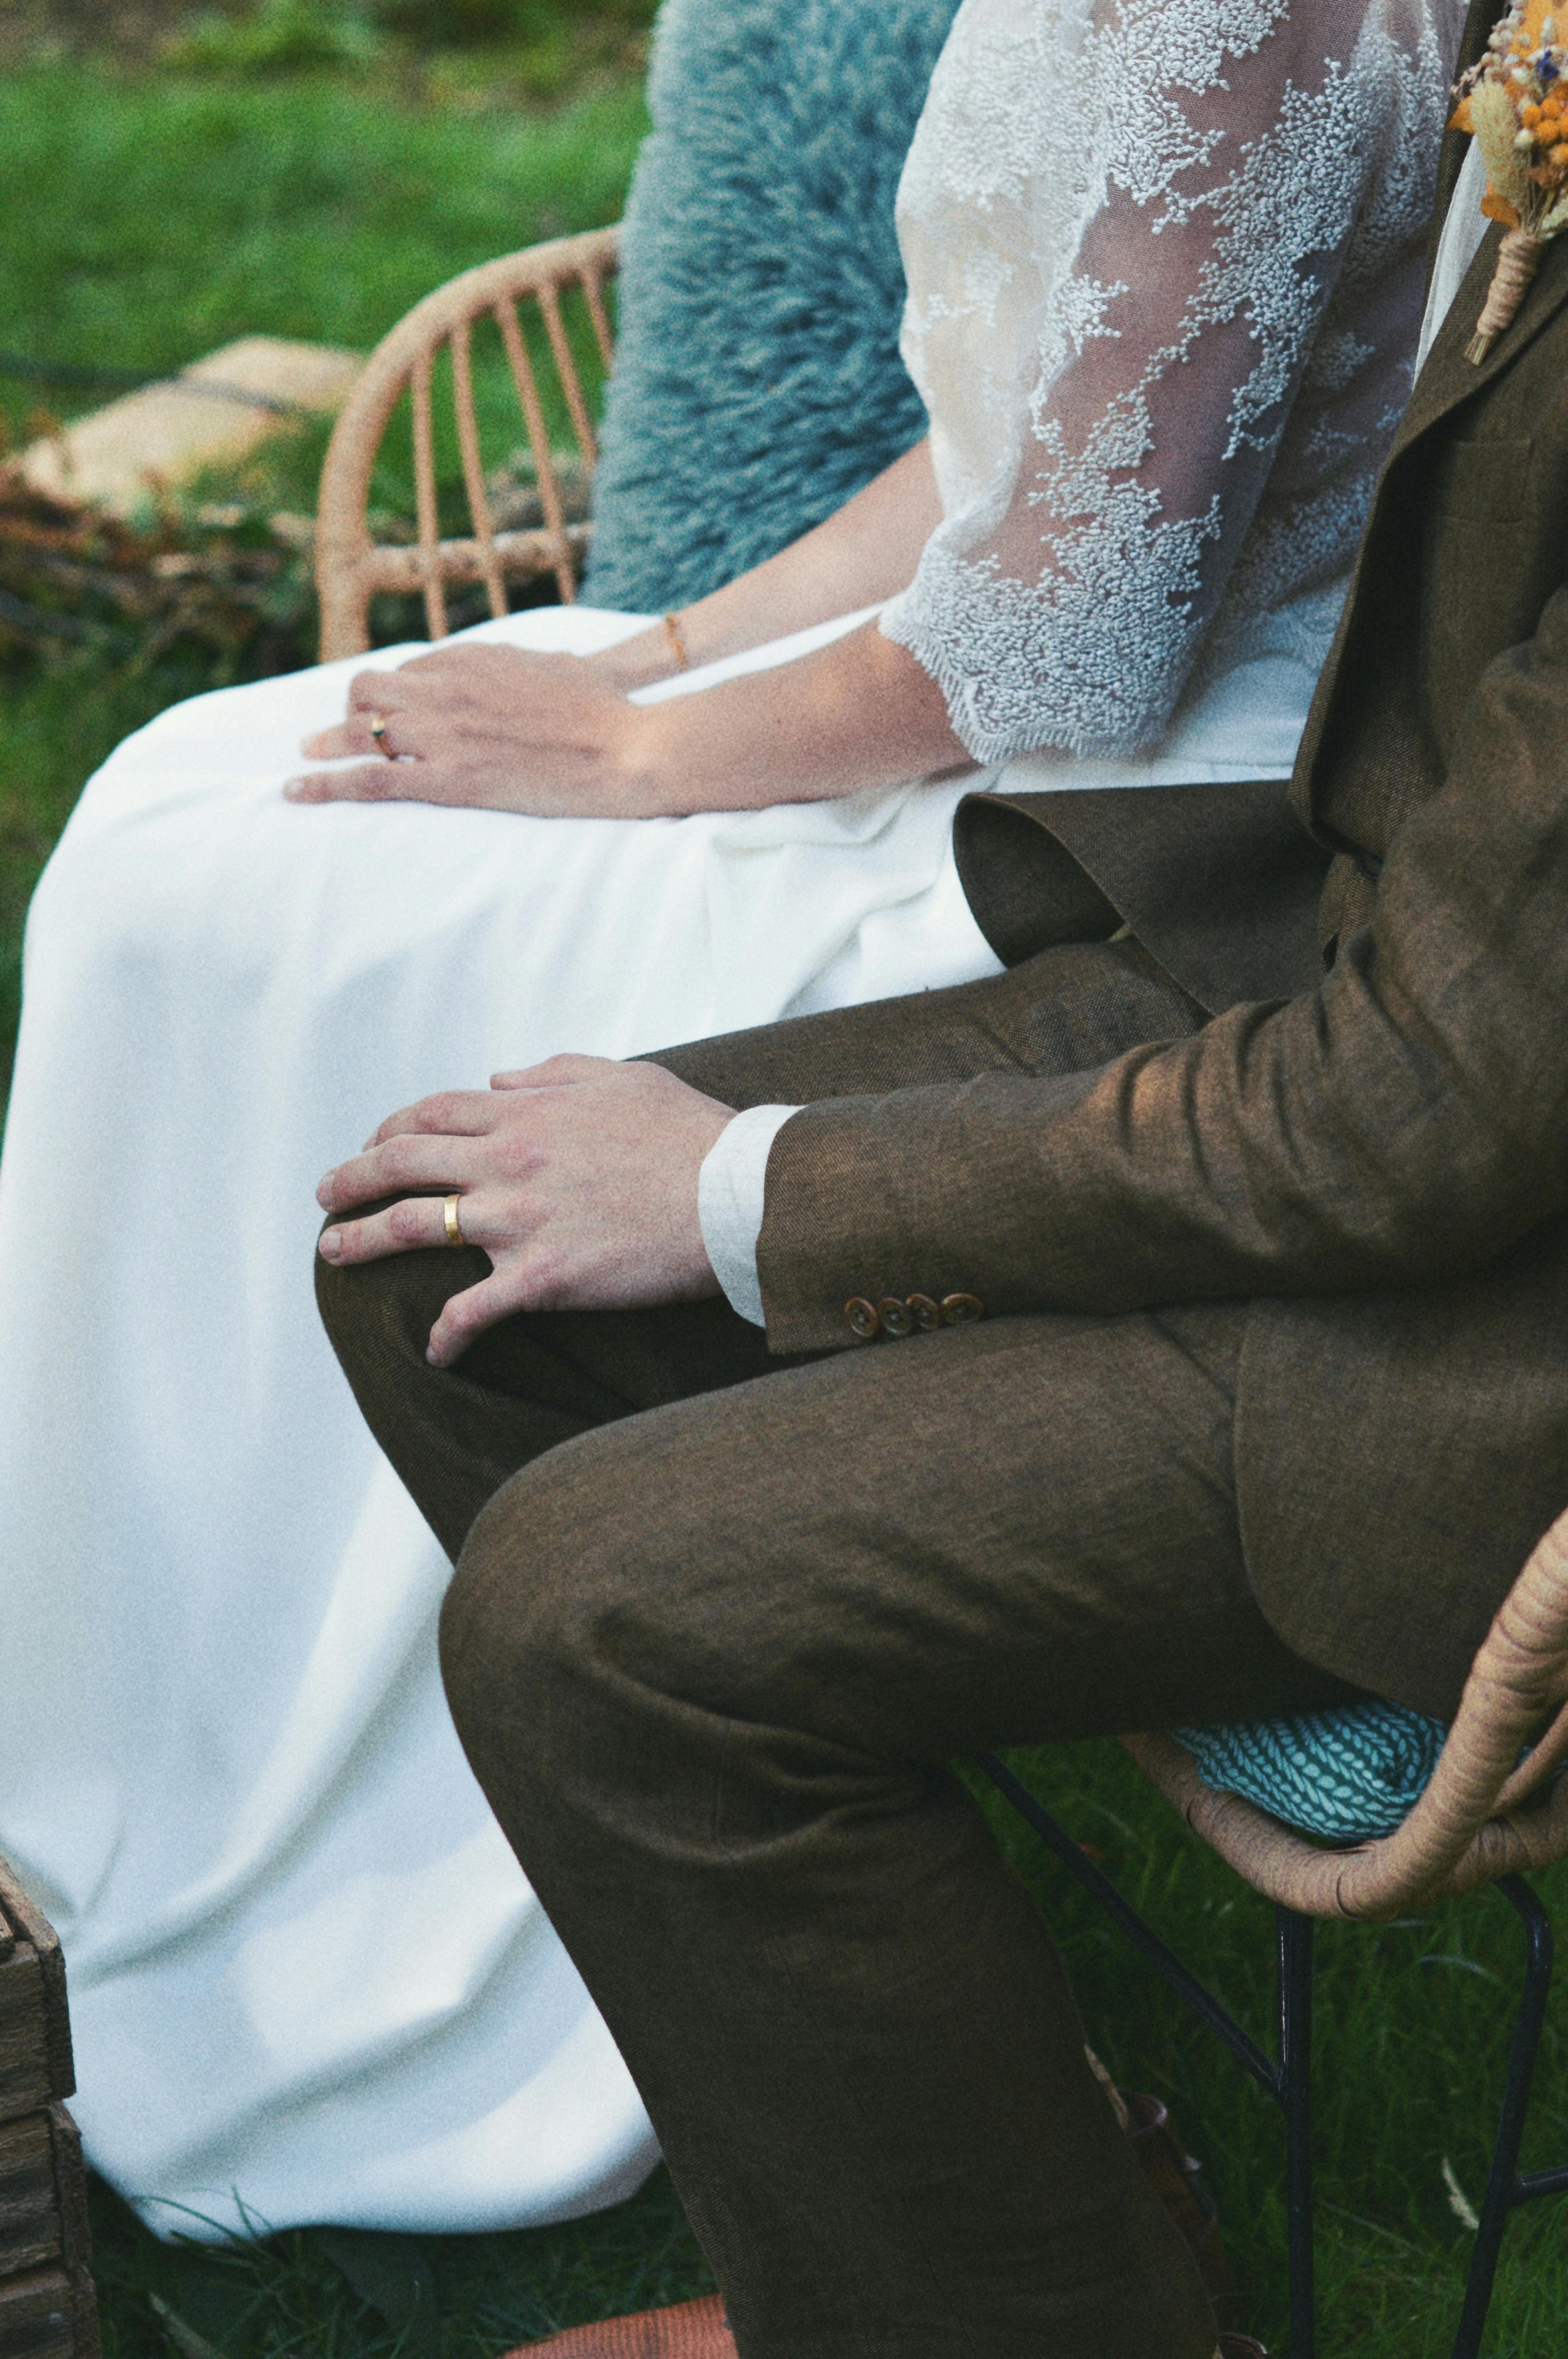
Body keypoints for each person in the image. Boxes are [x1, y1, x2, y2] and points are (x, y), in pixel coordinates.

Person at [0, 0, 1458, 2243]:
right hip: (972, 671)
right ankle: (109, 1770)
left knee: (238, 920)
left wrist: (638, 764)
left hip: (1131, 811)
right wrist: (655, 654)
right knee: (173, 817)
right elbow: (1009, 440)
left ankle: (338, 1920)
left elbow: (1074, 641)